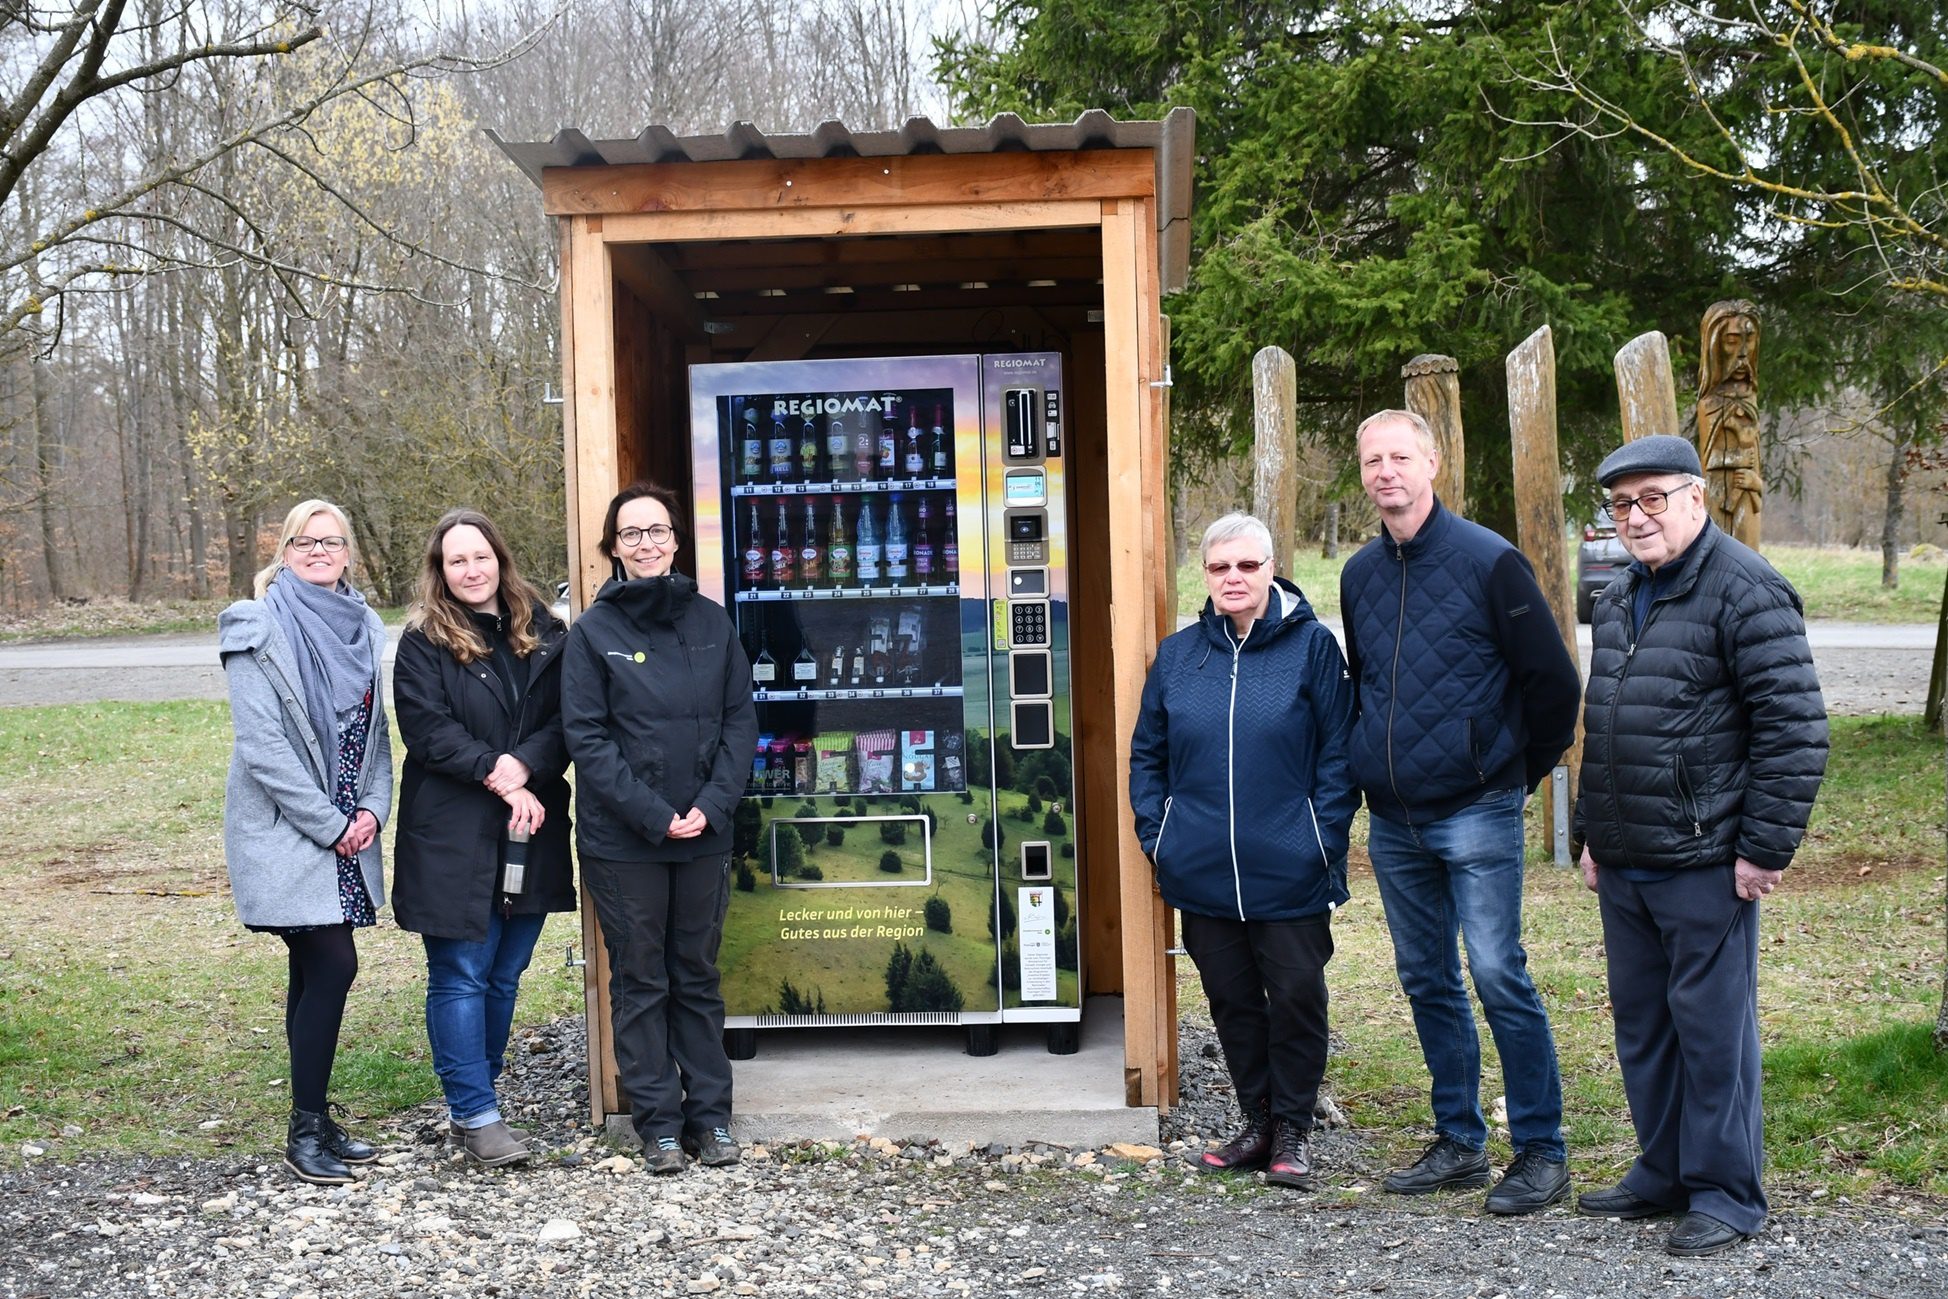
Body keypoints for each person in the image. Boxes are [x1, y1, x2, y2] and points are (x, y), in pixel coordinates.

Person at [1574, 434, 1827, 1256]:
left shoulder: (1747, 590)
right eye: (1622, 504)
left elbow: (1794, 728)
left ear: (1695, 497)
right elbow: (1605, 720)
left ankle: (1727, 1191)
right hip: (1627, 854)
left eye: (1653, 498)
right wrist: (1589, 833)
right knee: (1644, 1024)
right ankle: (1665, 1168)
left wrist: (1764, 848)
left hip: (1708, 857)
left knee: (1714, 1031)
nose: (1637, 516)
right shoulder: (1618, 595)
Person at [1338, 409, 1581, 1215]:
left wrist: (1511, 773)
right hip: (1395, 819)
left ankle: (1542, 1149)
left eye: (1400, 456)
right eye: (1373, 460)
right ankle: (1460, 1140)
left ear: (1433, 461)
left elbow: (1553, 685)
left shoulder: (1491, 562)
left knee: (1497, 972)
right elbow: (1367, 681)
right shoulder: (1360, 575)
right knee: (1426, 978)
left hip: (1478, 806)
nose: (1386, 472)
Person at [1130, 513, 1357, 1188]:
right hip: (1199, 868)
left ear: (1271, 567)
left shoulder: (1312, 646)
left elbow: (1339, 753)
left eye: (1247, 566)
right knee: (1231, 1001)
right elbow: (1149, 755)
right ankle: (1256, 1119)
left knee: (1294, 996)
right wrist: (1160, 836)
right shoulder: (1179, 655)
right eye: (1220, 567)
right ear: (1204, 574)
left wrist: (1321, 835)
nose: (1234, 577)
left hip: (1290, 864)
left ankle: (1293, 1128)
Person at [561, 482, 757, 1174]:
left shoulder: (712, 622)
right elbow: (587, 740)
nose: (647, 542)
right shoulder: (591, 634)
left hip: (705, 832)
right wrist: (655, 814)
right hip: (625, 843)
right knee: (642, 979)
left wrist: (713, 803)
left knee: (697, 975)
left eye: (658, 530)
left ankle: (712, 1117)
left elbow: (741, 723)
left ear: (676, 540)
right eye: (632, 532)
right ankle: (660, 1125)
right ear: (613, 547)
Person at [392, 508, 574, 1168]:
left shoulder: (547, 632)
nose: (470, 570)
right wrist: (502, 773)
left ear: (501, 558)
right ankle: (475, 1112)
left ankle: (481, 1093)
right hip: (453, 832)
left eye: (480, 556)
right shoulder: (423, 642)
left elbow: (568, 718)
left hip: (530, 829)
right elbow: (428, 729)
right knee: (461, 974)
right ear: (439, 571)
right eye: (455, 560)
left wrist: (527, 765)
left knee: (505, 973)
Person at [219, 498, 392, 1185]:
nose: (319, 552)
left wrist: (374, 807)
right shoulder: (256, 624)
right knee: (333, 963)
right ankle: (304, 1127)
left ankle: (314, 1117)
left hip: (350, 827)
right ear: (284, 551)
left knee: (313, 968)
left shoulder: (365, 625)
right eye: (304, 542)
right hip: (295, 831)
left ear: (349, 552)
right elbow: (263, 747)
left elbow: (377, 735)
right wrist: (331, 824)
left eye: (332, 542)